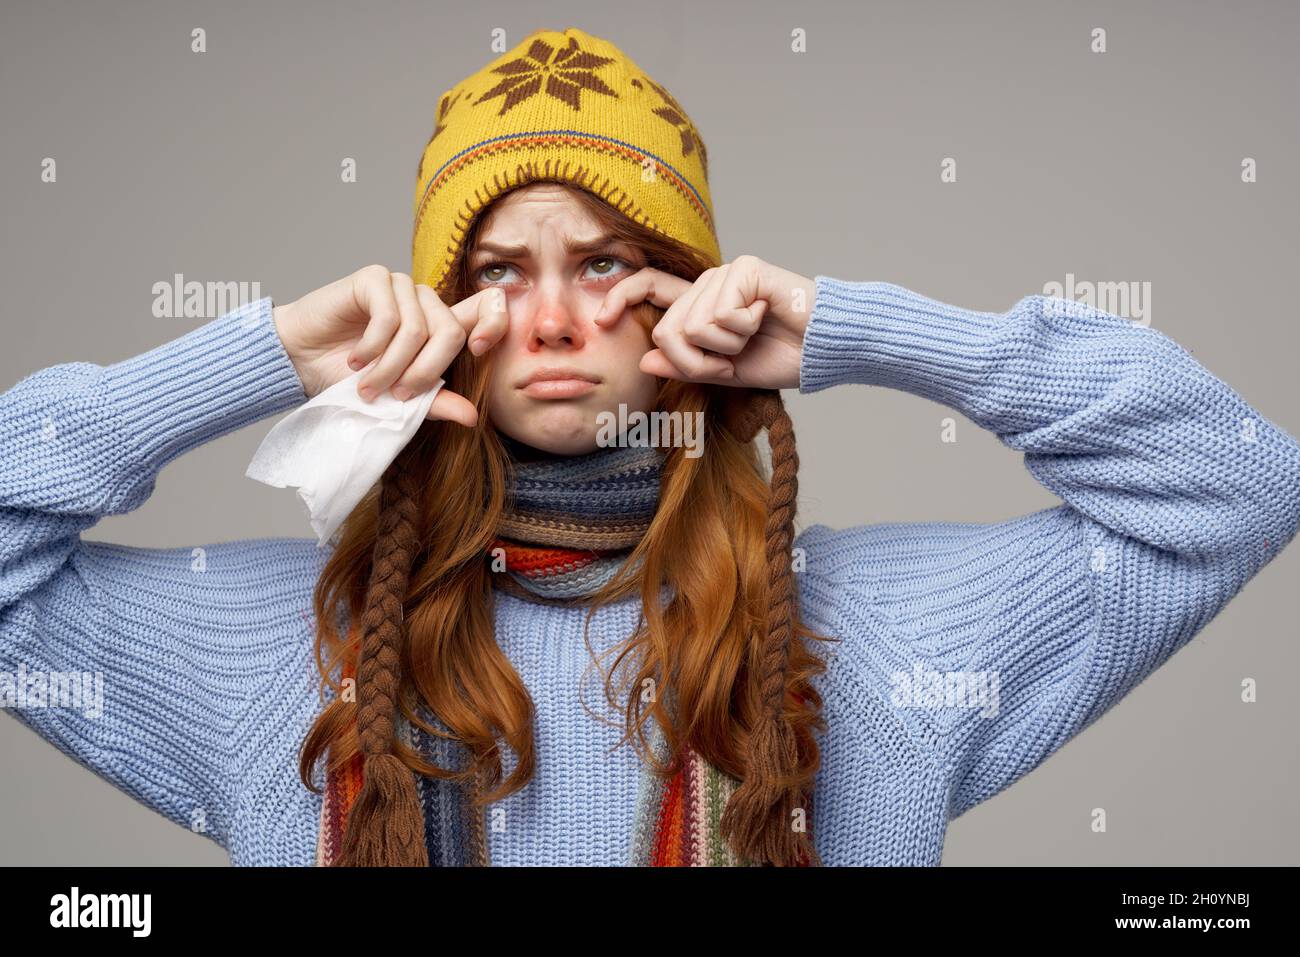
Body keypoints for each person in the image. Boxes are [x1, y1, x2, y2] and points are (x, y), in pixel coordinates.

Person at [2, 27, 1297, 867]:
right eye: (500, 271)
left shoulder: (876, 626)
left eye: (607, 262)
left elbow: (1241, 487)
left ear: (684, 294)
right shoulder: (285, 640)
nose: (555, 316)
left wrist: (859, 329)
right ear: (442, 312)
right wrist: (266, 355)